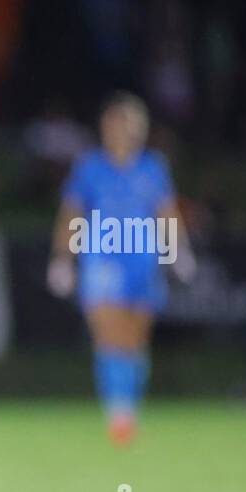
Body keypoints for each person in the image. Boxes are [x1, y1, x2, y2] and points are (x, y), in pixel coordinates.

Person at [47, 92, 195, 444]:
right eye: (112, 123)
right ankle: (118, 413)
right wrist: (63, 259)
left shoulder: (153, 168)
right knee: (108, 334)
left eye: (125, 123)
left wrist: (180, 250)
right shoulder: (90, 167)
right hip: (103, 258)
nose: (118, 130)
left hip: (142, 258)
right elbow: (72, 215)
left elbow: (166, 213)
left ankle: (130, 405)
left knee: (135, 338)